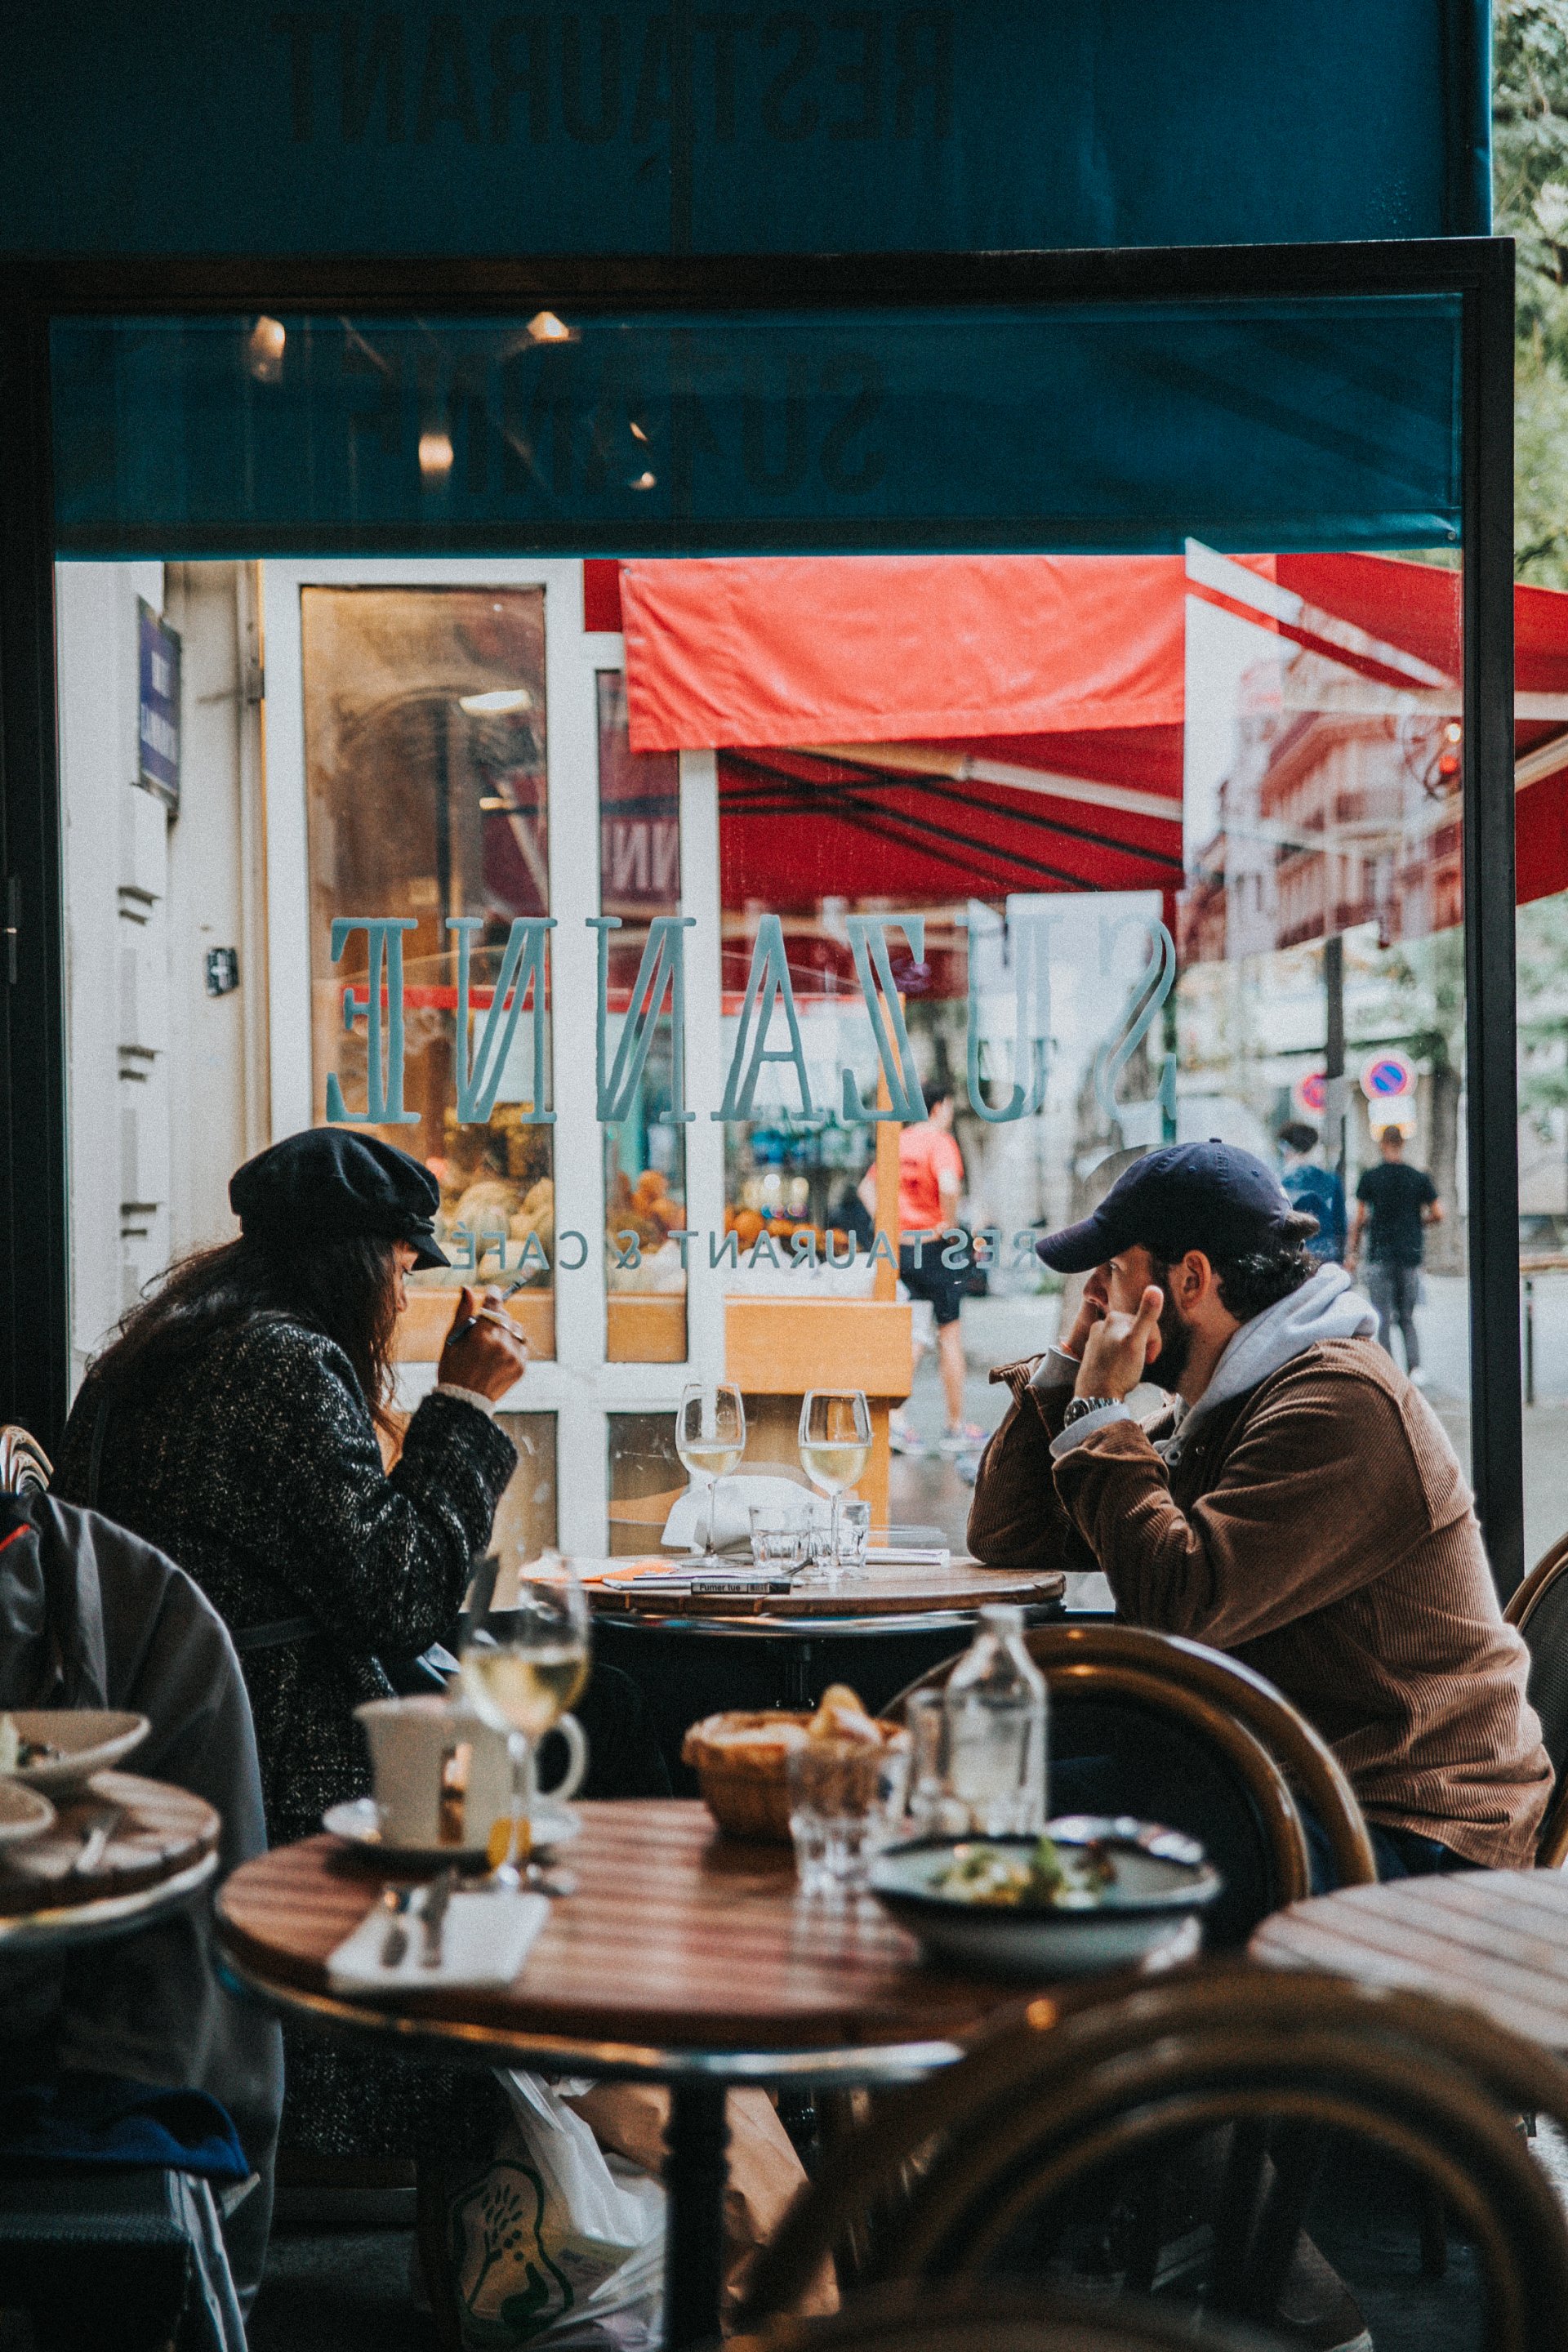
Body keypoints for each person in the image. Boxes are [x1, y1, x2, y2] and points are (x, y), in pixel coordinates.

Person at [967, 1141, 1550, 1881]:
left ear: (1190, 1280)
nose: (1096, 1293)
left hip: (1407, 1826)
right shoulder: (1230, 1402)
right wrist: (1068, 1368)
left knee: (1021, 1856)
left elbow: (1180, 1609)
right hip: (1280, 1776)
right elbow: (1012, 1536)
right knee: (976, 1795)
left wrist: (1100, 1411)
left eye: (1113, 1271)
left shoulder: (1336, 1402)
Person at [896, 1085, 981, 1454]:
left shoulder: (899, 1142)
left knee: (915, 1333)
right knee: (948, 1332)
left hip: (901, 1246)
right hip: (934, 1246)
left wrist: (891, 1225)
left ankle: (890, 1418)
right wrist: (947, 1226)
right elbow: (948, 1185)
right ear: (940, 1106)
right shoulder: (940, 1142)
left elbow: (869, 1189)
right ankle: (954, 1426)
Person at [1349, 1123, 1442, 1382]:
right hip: (1410, 1254)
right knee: (1407, 1316)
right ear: (1402, 1144)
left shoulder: (1370, 1177)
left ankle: (1388, 1370)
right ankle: (1415, 1369)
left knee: (1382, 1316)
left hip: (1379, 1254)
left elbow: (1359, 1219)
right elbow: (1438, 1213)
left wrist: (1353, 1253)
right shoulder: (1418, 1177)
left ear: (1382, 1144)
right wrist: (1416, 1222)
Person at [1278, 1120, 1345, 1263]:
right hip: (1327, 1252)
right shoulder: (1331, 1180)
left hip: (1296, 1255)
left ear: (1288, 1148)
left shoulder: (1283, 1182)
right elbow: (1340, 1223)